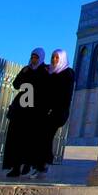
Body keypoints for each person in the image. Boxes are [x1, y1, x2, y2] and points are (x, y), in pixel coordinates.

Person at [29, 48, 75, 179]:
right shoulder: (49, 72)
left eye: (57, 58)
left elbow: (66, 95)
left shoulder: (67, 73)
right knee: (41, 136)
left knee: (45, 136)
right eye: (53, 57)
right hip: (45, 111)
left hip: (57, 112)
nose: (54, 60)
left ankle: (42, 164)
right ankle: (40, 164)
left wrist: (55, 108)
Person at [3, 48, 47, 178]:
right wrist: (23, 73)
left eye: (36, 58)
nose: (34, 60)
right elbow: (16, 84)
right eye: (32, 57)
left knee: (30, 139)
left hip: (35, 110)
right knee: (16, 139)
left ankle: (28, 164)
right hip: (21, 109)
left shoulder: (44, 71)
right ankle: (15, 167)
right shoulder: (25, 70)